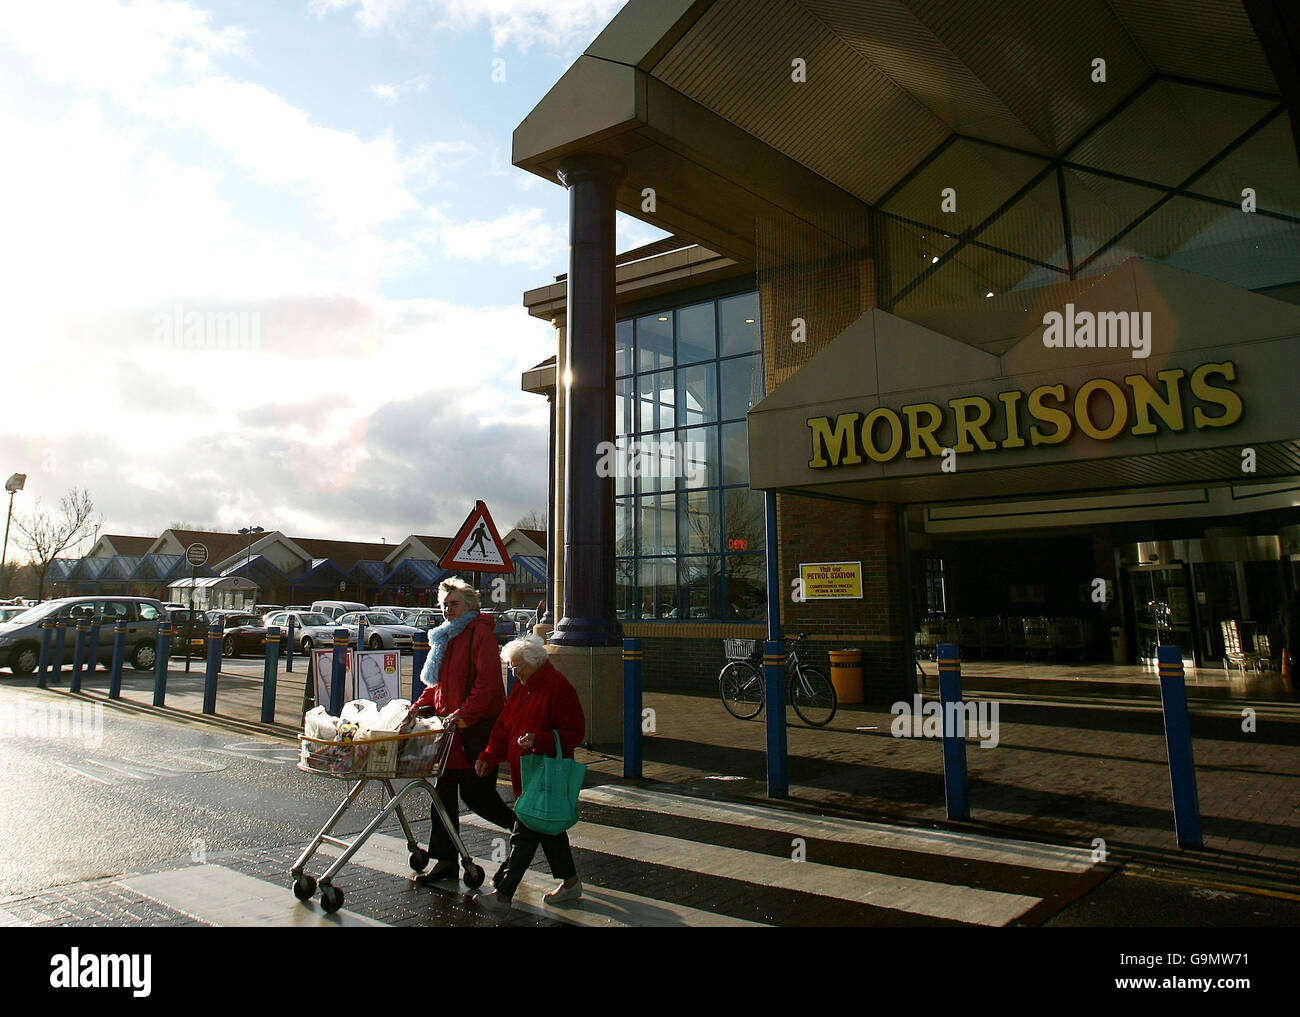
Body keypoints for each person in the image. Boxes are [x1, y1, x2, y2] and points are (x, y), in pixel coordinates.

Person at [407, 577, 514, 883]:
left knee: (478, 796)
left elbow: (488, 686)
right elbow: (438, 685)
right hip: (449, 733)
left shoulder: (479, 634)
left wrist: (463, 714)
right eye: (444, 604)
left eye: (453, 604)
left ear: (470, 606)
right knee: (441, 798)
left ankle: (523, 833)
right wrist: (417, 707)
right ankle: (445, 862)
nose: (447, 610)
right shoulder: (445, 637)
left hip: (474, 731)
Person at [473, 634, 585, 912]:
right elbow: (503, 725)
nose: (514, 672)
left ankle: (503, 894)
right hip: (525, 773)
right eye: (511, 667)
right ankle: (570, 883)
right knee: (549, 830)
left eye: (517, 666)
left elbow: (574, 732)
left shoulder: (558, 687)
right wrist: (489, 755)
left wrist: (540, 739)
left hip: (544, 774)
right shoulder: (522, 688)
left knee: (524, 835)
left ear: (535, 662)